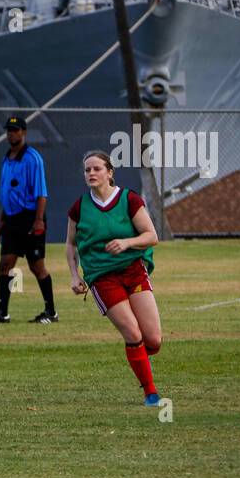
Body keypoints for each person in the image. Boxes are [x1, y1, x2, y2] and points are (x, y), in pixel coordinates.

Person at [65, 150, 164, 406]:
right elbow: (70, 245)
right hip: (103, 278)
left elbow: (151, 236)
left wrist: (126, 242)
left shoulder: (128, 199)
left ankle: (138, 354)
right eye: (87, 170)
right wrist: (75, 276)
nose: (91, 173)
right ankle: (150, 393)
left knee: (153, 339)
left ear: (110, 172)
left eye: (97, 168)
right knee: (132, 333)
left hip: (133, 270)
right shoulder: (79, 207)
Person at [0, 114, 57, 324]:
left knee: (36, 266)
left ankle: (51, 312)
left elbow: (41, 193)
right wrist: (1, 220)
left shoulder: (32, 158)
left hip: (30, 217)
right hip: (11, 219)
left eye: (16, 130)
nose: (12, 133)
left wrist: (39, 221)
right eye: (9, 130)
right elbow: (6, 193)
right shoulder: (6, 158)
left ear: (24, 132)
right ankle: (2, 312)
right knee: (5, 263)